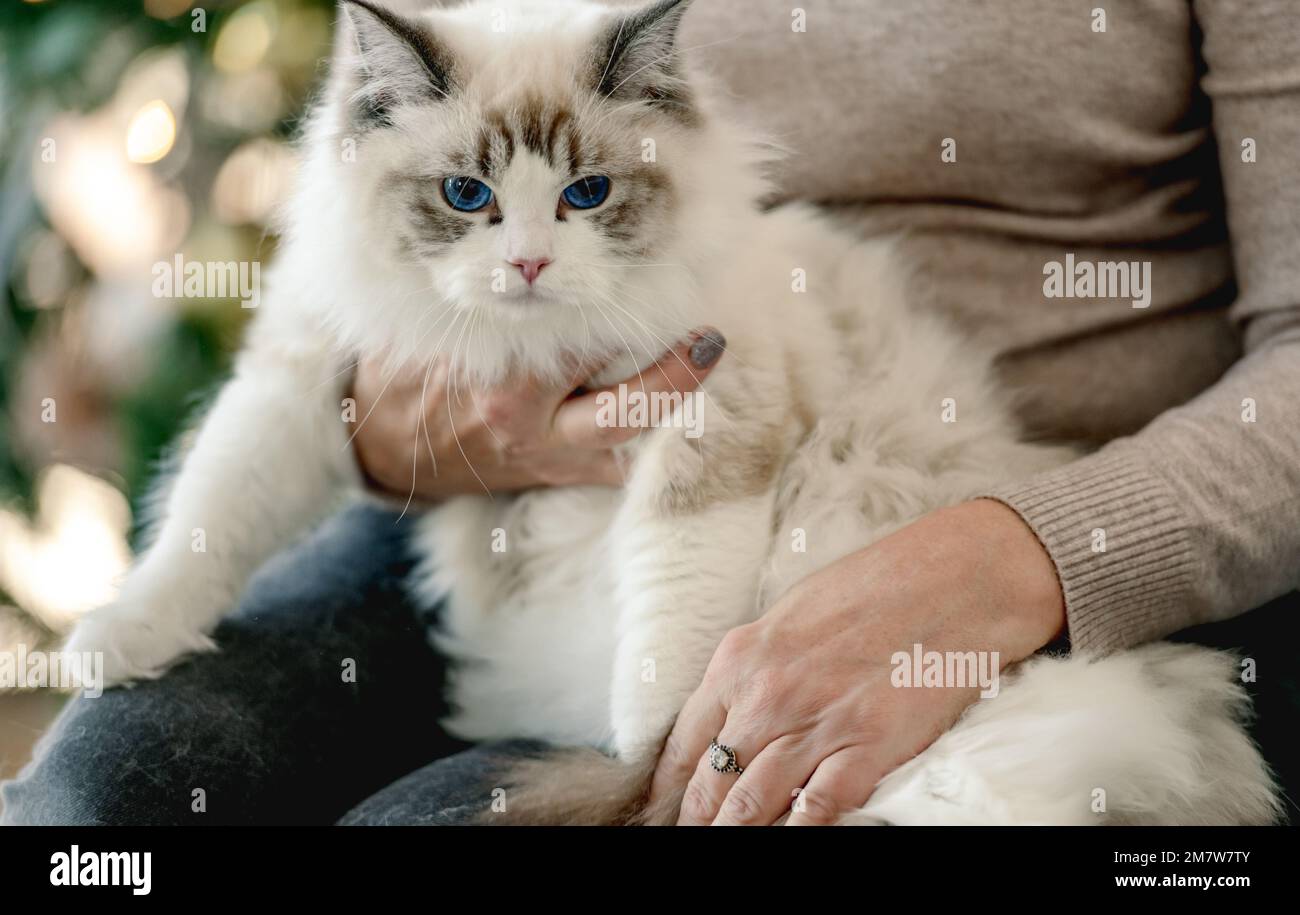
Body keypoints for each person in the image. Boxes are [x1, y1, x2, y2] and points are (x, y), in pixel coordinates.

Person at [4, 0, 1298, 826]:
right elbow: (318, 343)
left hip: (958, 492)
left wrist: (1026, 555)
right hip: (478, 519)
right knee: (96, 804)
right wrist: (416, 430)